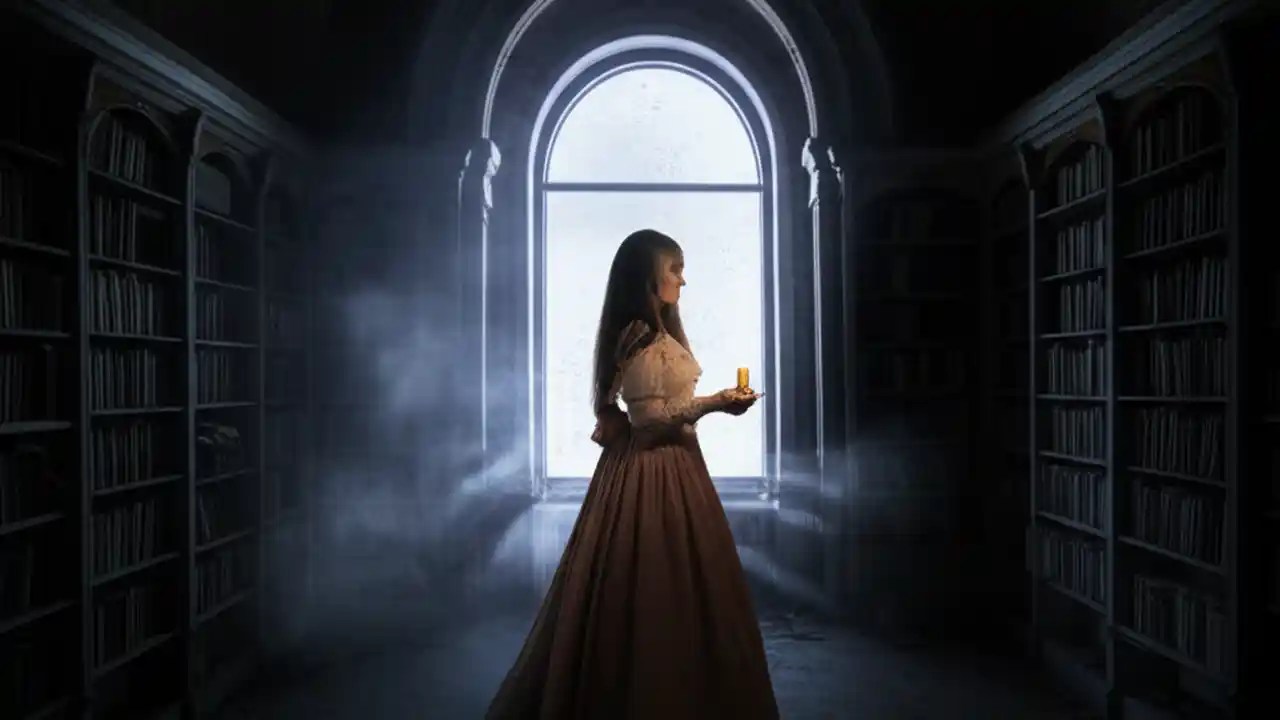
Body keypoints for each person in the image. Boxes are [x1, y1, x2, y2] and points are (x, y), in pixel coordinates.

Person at [485, 229, 779, 720]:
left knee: (680, 594)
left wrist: (716, 405)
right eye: (675, 270)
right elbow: (647, 422)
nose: (683, 281)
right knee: (655, 590)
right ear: (648, 277)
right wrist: (716, 403)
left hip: (677, 469)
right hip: (653, 473)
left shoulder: (656, 333)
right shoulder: (640, 336)